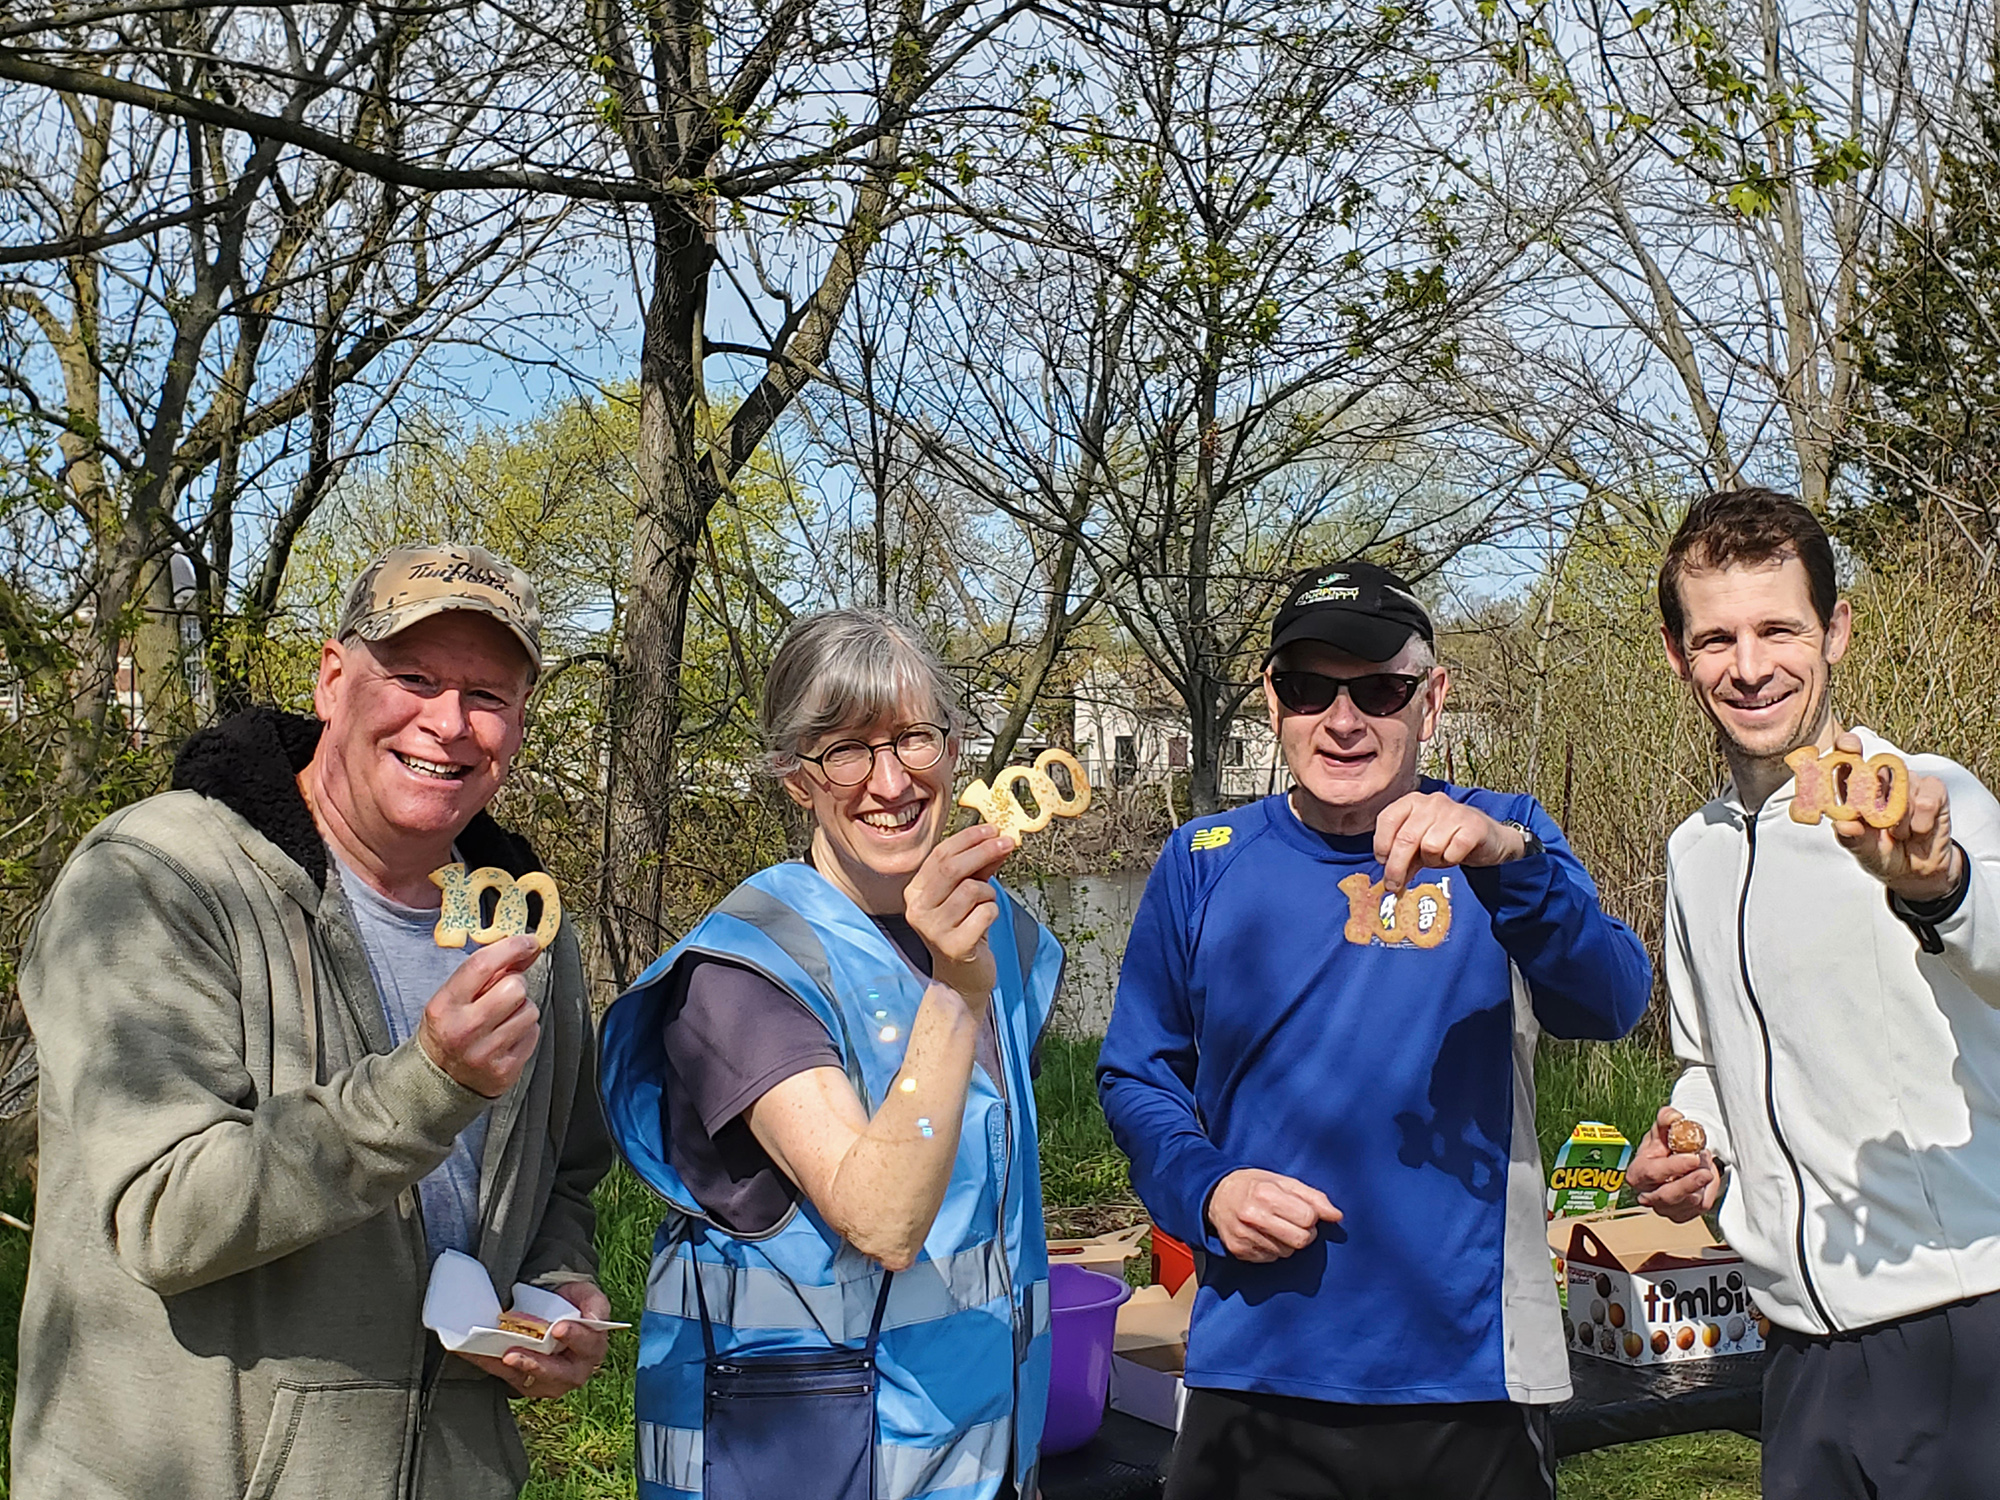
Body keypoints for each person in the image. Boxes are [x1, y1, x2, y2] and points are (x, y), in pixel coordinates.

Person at [12, 545, 614, 1498]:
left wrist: (557, 1287)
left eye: (488, 694)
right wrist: (429, 1085)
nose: (449, 723)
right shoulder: (154, 880)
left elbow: (567, 1175)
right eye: (413, 677)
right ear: (334, 681)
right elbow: (166, 1214)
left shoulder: (522, 929)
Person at [1098, 560, 1651, 1500]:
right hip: (1255, 1371)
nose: (1342, 721)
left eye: (1379, 690)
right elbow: (1136, 1077)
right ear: (1272, 700)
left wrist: (1509, 864)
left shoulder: (1505, 836)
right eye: (1311, 688)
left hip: (1468, 1371)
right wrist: (1207, 1185)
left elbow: (1609, 1001)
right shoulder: (1202, 860)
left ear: (1431, 699)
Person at [598, 609, 1062, 1500]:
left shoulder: (1006, 943)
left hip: (984, 1456)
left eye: (913, 739)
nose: (889, 780)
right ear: (794, 778)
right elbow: (882, 1220)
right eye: (845, 750)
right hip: (810, 1459)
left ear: (955, 748)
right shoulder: (745, 974)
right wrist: (954, 988)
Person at [1625, 488, 2000, 1499]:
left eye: (1777, 628)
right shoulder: (1691, 851)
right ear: (1674, 652)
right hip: (1792, 1345)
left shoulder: (1926, 797)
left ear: (1832, 630)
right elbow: (1707, 1058)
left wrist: (1938, 885)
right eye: (1715, 638)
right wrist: (1685, 1140)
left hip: (1958, 1329)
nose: (1747, 668)